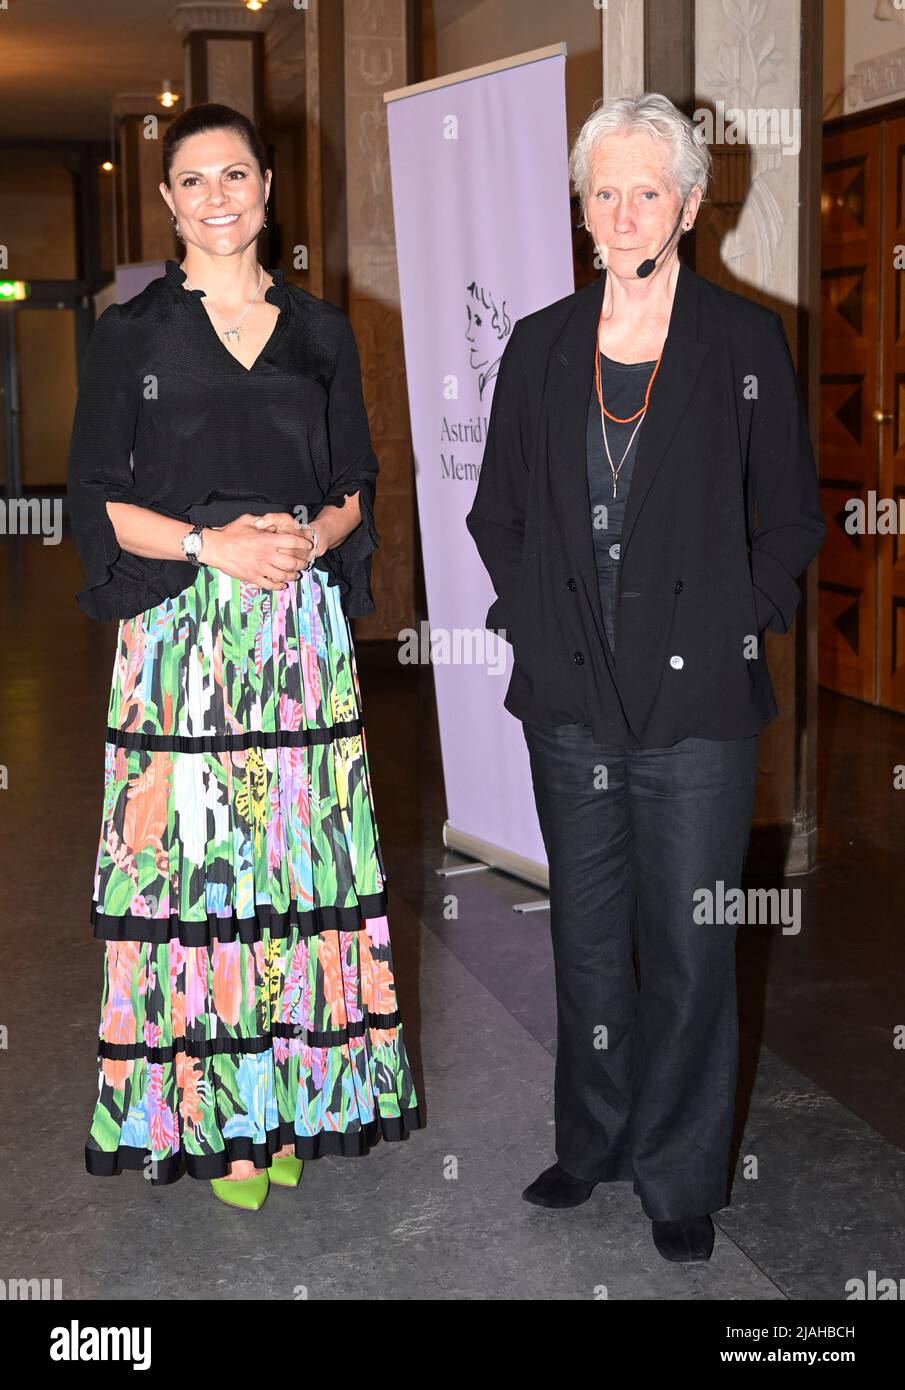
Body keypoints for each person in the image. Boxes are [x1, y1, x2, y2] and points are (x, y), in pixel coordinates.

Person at [465, 92, 826, 1263]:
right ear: (582, 208)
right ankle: (593, 1138)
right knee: (583, 932)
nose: (620, 212)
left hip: (696, 706)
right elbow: (498, 512)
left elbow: (789, 520)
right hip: (570, 697)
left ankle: (676, 1171)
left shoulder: (743, 343)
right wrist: (533, 617)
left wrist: (740, 617)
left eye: (644, 190)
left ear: (688, 201)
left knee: (684, 939)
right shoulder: (539, 344)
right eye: (601, 191)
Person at [67, 102, 421, 1212]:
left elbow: (356, 479)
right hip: (181, 637)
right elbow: (93, 499)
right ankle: (218, 1121)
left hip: (295, 633)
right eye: (193, 180)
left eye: (236, 175)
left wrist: (308, 539)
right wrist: (207, 544)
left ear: (268, 187)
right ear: (166, 201)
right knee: (199, 879)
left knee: (289, 871)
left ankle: (293, 1100)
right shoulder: (132, 333)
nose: (217, 196)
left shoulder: (321, 328)